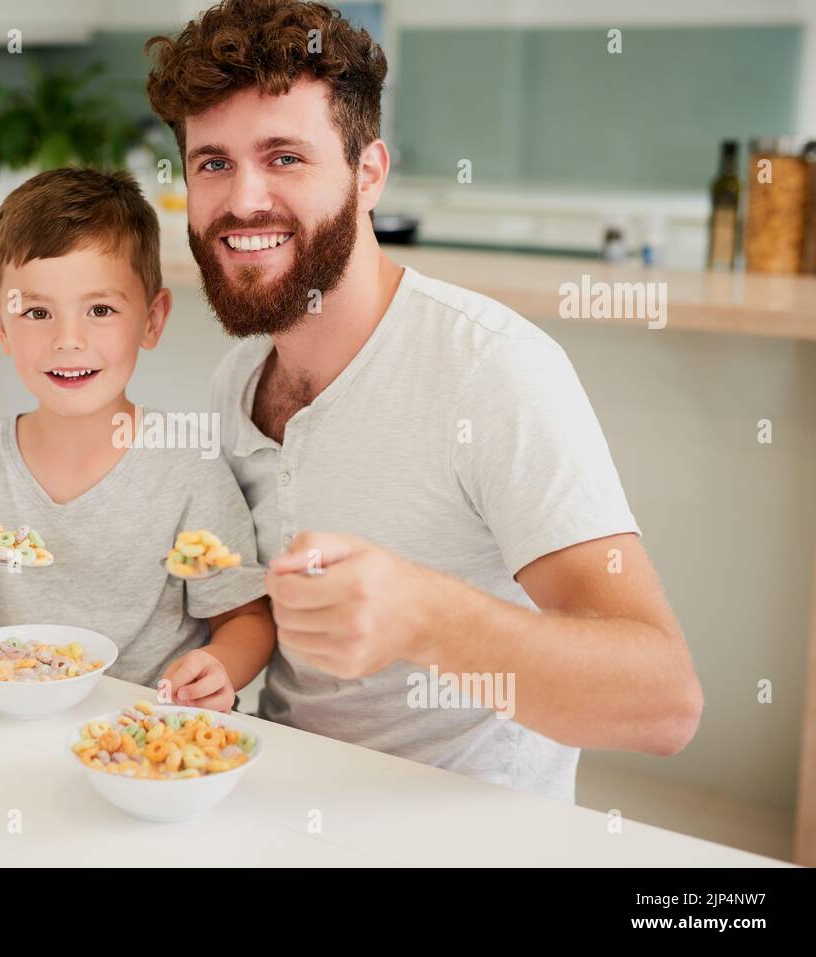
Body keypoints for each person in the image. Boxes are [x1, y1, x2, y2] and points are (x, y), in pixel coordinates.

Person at [144, 0, 702, 800]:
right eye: (213, 163)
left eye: (285, 158)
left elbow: (665, 701)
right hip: (278, 802)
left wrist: (423, 616)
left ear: (368, 174)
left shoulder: (493, 371)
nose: (242, 201)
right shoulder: (235, 382)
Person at [0, 167, 274, 712]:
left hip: (138, 742)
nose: (68, 340)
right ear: (0, 324)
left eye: (100, 310)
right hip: (7, 737)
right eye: (37, 312)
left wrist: (221, 669)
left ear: (152, 318)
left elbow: (244, 617)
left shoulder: (190, 468)